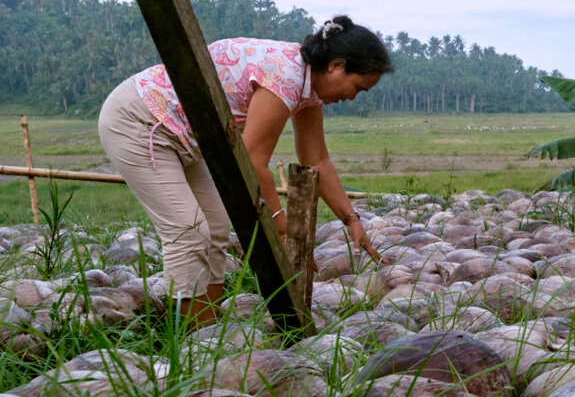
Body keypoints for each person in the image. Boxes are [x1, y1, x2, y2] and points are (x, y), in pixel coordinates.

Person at [98, 16, 393, 324]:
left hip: (188, 137)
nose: (351, 97)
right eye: (357, 87)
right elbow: (252, 160)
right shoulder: (287, 75)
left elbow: (316, 159)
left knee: (215, 228)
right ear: (336, 65)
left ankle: (206, 332)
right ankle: (190, 346)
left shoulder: (308, 84)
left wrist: (351, 219)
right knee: (189, 231)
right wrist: (281, 225)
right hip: (141, 120)